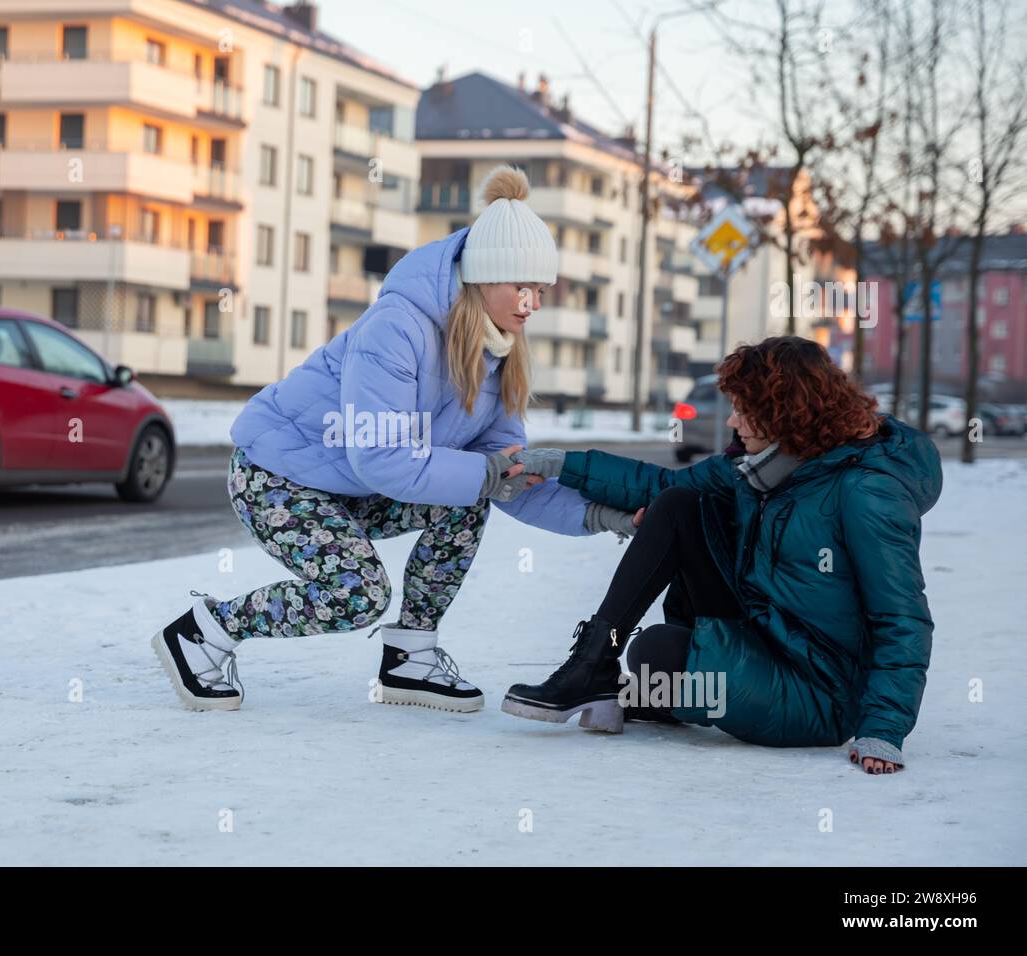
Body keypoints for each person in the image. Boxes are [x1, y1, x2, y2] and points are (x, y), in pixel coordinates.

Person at [152, 165, 634, 714]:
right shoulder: (398, 328)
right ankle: (205, 631)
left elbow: (508, 477)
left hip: (353, 485)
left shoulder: (500, 354)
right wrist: (489, 473)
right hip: (277, 477)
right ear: (483, 276)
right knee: (357, 593)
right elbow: (385, 459)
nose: (532, 304)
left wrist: (604, 515)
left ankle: (410, 656)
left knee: (468, 500)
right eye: (521, 286)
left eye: (541, 290)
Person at [504, 336, 942, 774]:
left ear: (785, 410)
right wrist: (559, 463)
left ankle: (642, 690)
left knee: (661, 657)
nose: (733, 420)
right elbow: (656, 487)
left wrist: (883, 730)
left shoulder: (865, 490)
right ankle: (593, 665)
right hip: (761, 636)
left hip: (814, 693)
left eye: (743, 408)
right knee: (678, 506)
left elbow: (902, 616)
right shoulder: (761, 467)